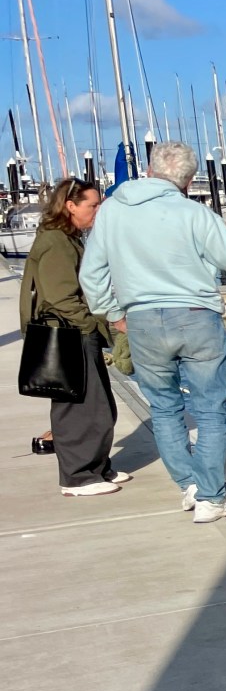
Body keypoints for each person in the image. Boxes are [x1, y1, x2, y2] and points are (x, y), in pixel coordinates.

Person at [80, 141, 226, 523]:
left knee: (165, 408)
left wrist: (113, 314)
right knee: (209, 412)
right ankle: (210, 496)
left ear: (152, 170)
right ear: (189, 180)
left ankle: (189, 485)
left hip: (141, 320)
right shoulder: (196, 214)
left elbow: (91, 275)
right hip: (196, 317)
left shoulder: (112, 213)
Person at [19, 177, 123, 496]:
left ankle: (96, 467)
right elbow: (60, 296)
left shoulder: (69, 238)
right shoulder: (55, 241)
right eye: (92, 205)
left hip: (75, 331)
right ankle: (77, 477)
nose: (97, 210)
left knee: (98, 404)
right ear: (70, 206)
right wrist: (92, 326)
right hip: (68, 334)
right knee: (77, 406)